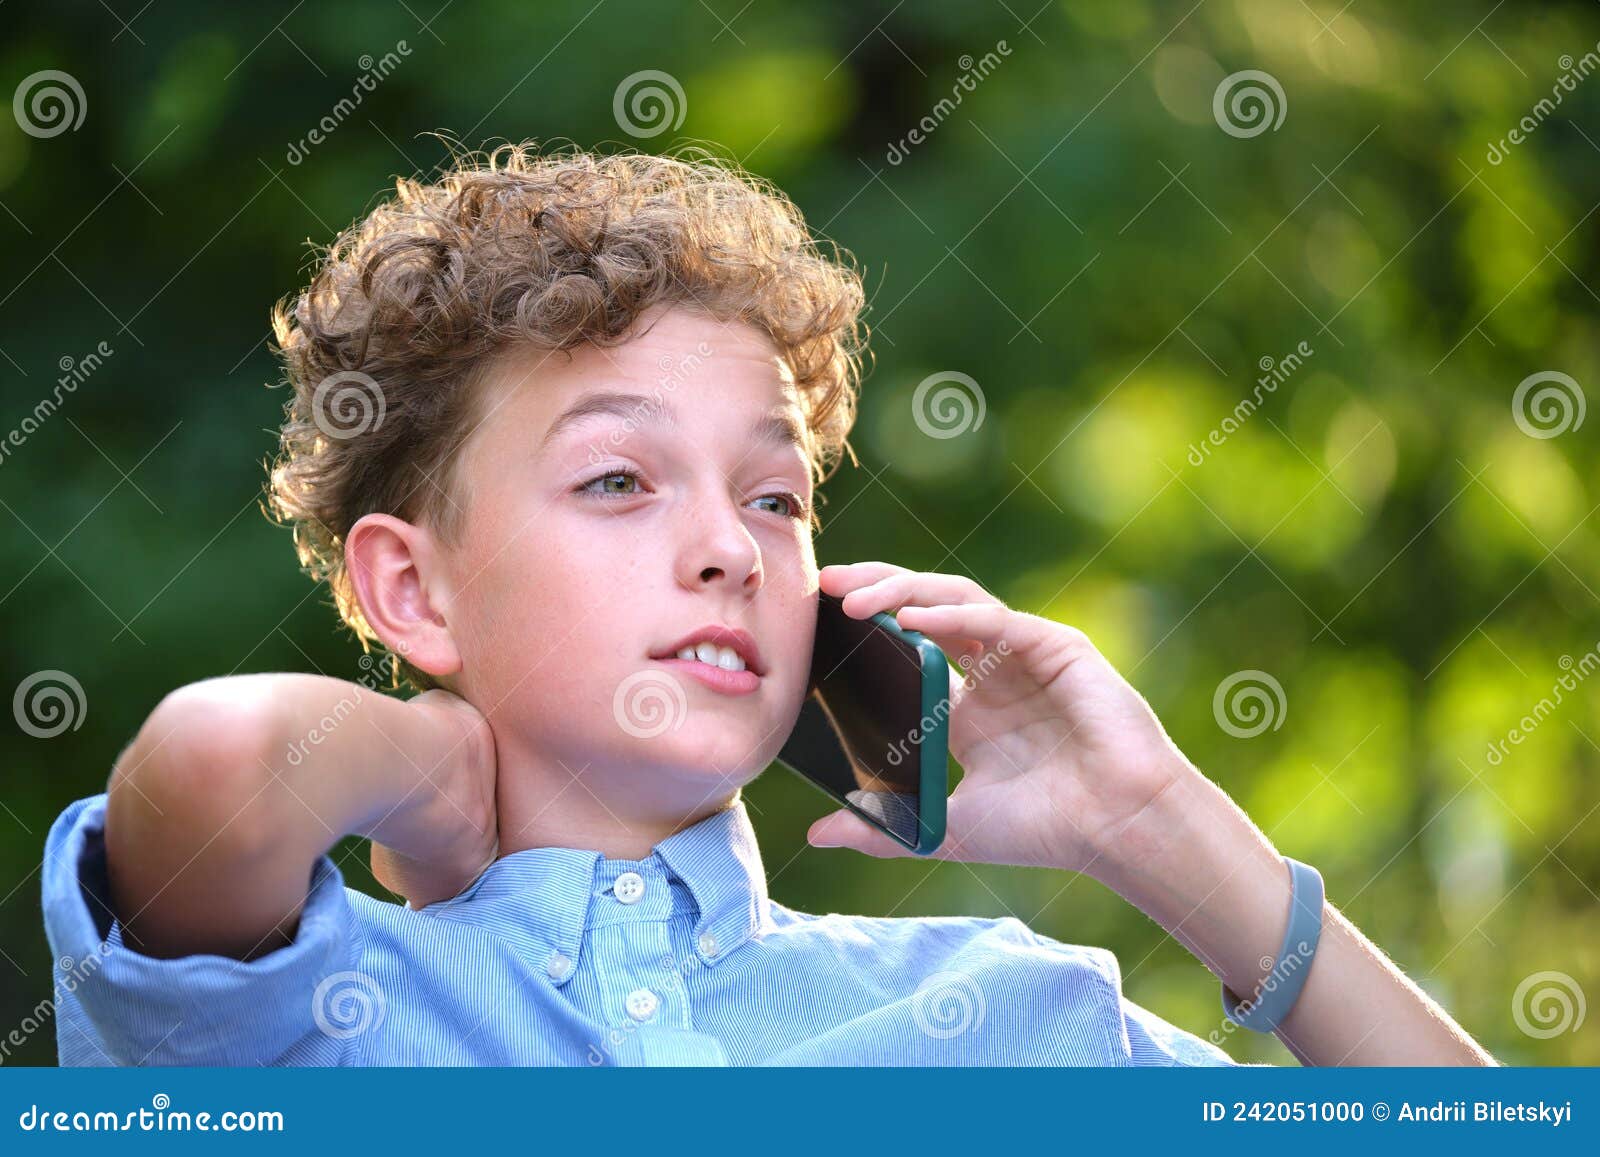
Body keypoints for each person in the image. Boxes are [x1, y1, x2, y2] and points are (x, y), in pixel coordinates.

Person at [41, 144, 1495, 1066]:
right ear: (409, 587)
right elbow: (216, 770)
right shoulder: (313, 1016)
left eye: (776, 496)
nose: (731, 547)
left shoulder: (1017, 1015)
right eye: (619, 480)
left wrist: (1167, 832)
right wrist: (435, 784)